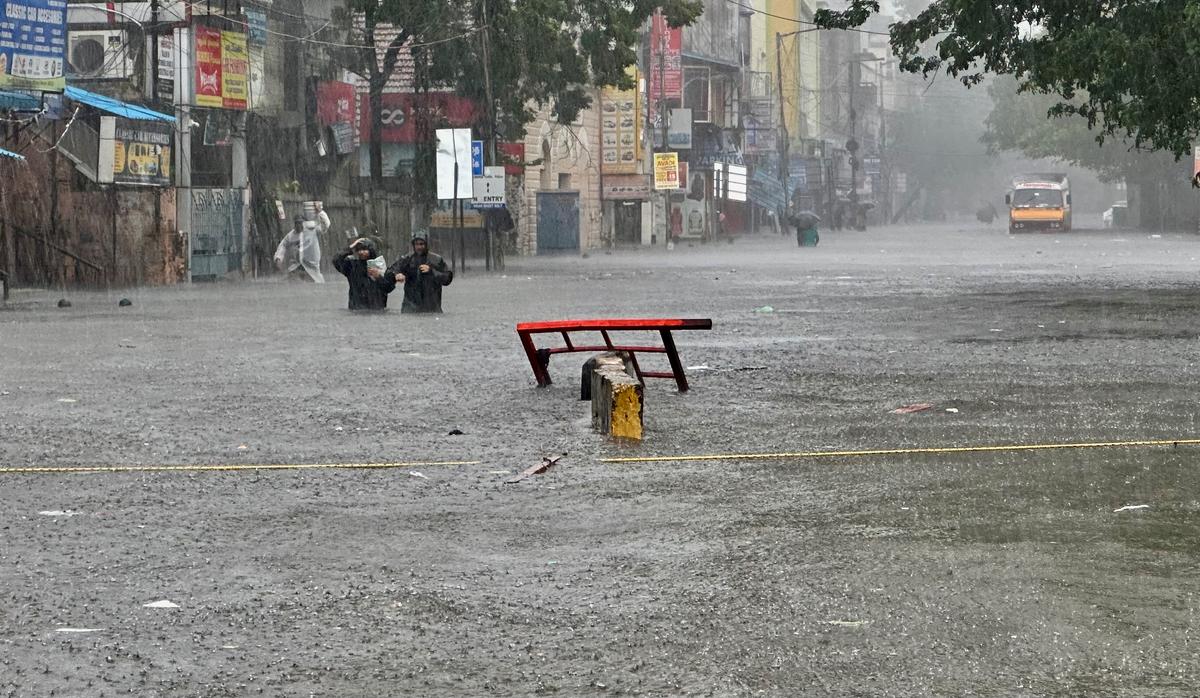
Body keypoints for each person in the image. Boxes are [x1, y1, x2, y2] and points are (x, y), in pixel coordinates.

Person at [386, 233, 453, 313]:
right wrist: (396, 275)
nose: (419, 247)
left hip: (432, 308)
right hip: (410, 308)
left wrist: (432, 271)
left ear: (426, 244)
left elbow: (447, 278)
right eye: (416, 244)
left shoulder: (436, 260)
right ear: (413, 245)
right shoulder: (407, 259)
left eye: (421, 244)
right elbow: (389, 271)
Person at [332, 237, 394, 310]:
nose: (361, 252)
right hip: (356, 309)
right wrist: (351, 247)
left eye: (364, 249)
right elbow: (336, 260)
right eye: (359, 250)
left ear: (371, 250)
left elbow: (389, 287)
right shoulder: (352, 266)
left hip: (377, 310)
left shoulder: (380, 266)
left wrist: (378, 277)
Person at [273, 215, 324, 282]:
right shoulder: (291, 236)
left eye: (300, 223)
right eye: (296, 223)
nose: (298, 225)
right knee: (288, 281)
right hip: (296, 265)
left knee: (315, 281)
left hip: (310, 265)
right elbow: (283, 245)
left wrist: (320, 213)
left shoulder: (313, 231)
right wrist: (278, 258)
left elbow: (325, 225)